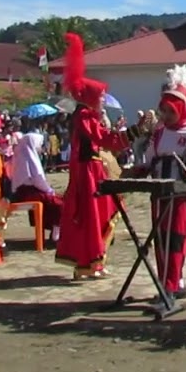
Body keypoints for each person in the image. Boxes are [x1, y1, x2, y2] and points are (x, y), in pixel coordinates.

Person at [135, 63, 186, 303]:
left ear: (180, 109)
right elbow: (147, 161)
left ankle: (171, 284)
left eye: (170, 111)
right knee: (160, 239)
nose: (165, 116)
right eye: (163, 111)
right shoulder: (158, 134)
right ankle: (171, 283)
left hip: (180, 195)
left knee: (176, 238)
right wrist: (135, 171)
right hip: (159, 193)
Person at [55, 33, 123, 280]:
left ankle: (92, 262)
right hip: (88, 175)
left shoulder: (87, 117)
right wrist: (135, 132)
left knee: (93, 218)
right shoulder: (84, 117)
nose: (103, 100)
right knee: (90, 217)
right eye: (101, 96)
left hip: (92, 172)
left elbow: (106, 138)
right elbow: (106, 140)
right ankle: (90, 262)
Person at [10, 124, 64, 245]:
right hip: (28, 192)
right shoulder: (29, 157)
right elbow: (37, 179)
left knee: (55, 199)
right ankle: (56, 235)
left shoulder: (21, 155)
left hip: (24, 191)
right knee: (59, 202)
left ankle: (55, 231)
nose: (40, 147)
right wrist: (49, 190)